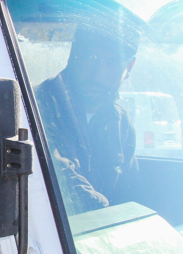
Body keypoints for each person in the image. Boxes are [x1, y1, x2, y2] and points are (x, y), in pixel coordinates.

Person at [35, 21, 142, 212]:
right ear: (73, 54)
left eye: (112, 62)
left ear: (129, 67)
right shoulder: (33, 107)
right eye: (90, 57)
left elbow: (129, 200)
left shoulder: (121, 124)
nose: (97, 75)